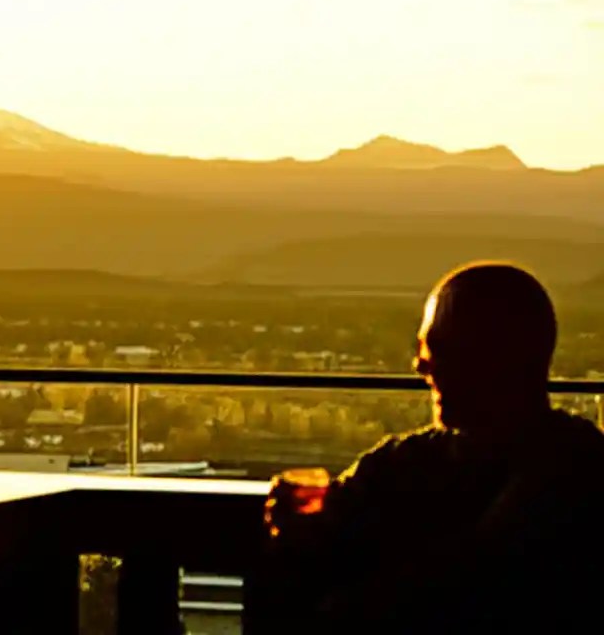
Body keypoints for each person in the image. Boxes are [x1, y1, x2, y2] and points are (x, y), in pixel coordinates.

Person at [249, 262, 604, 634]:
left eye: (437, 347)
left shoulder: (573, 478)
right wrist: (301, 537)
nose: (420, 364)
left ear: (499, 357)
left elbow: (473, 584)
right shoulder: (397, 464)